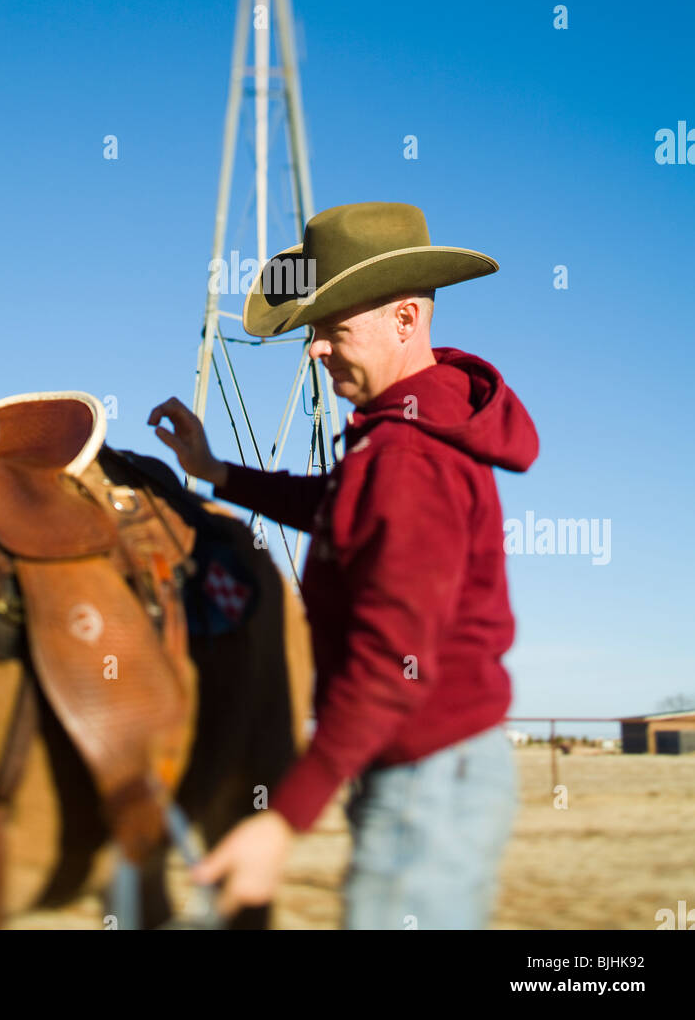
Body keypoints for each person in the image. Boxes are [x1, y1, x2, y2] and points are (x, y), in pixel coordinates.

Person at [148, 202, 539, 929]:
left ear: (404, 320)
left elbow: (394, 659)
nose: (314, 351)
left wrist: (281, 823)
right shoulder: (412, 431)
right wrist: (215, 472)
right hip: (438, 771)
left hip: (427, 778)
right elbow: (340, 504)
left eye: (333, 329)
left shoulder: (408, 456)